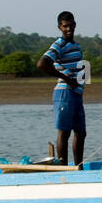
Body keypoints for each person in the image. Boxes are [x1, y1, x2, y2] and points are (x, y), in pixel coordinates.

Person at [36, 10, 85, 166]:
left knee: (81, 133)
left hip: (77, 93)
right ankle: (64, 169)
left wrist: (81, 83)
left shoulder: (75, 45)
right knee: (64, 132)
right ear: (59, 27)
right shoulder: (59, 44)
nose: (69, 29)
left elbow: (81, 68)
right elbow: (42, 63)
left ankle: (79, 167)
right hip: (64, 92)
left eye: (71, 25)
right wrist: (66, 79)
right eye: (65, 26)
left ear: (75, 25)